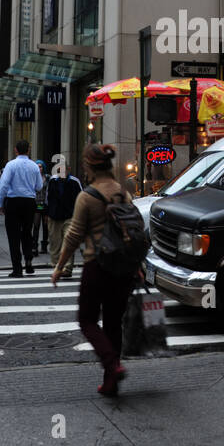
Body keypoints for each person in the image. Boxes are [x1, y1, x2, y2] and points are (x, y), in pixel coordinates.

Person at [52, 144, 137, 396]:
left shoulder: (87, 196)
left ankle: (113, 365)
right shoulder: (124, 193)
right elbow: (131, 232)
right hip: (123, 267)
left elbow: (74, 235)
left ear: (89, 167)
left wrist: (59, 266)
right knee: (113, 322)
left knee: (87, 319)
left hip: (97, 265)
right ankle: (110, 380)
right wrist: (138, 266)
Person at [0, 140, 43, 277]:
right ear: (28, 150)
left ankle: (17, 268)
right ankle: (28, 260)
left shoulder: (10, 165)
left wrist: (0, 203)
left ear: (15, 150)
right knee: (27, 232)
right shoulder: (34, 166)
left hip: (13, 201)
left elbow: (3, 185)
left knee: (13, 235)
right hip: (29, 202)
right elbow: (39, 186)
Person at [45, 161, 83, 278]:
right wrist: (47, 213)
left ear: (68, 169)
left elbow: (81, 198)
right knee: (55, 243)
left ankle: (67, 268)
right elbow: (48, 198)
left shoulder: (74, 182)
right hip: (54, 216)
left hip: (69, 216)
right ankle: (57, 266)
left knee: (68, 241)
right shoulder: (52, 181)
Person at [32, 160, 49, 254]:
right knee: (36, 225)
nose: (39, 168)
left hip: (45, 204)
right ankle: (34, 246)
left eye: (41, 166)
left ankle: (44, 246)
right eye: (37, 166)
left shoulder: (48, 177)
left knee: (45, 226)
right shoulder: (33, 177)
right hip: (36, 203)